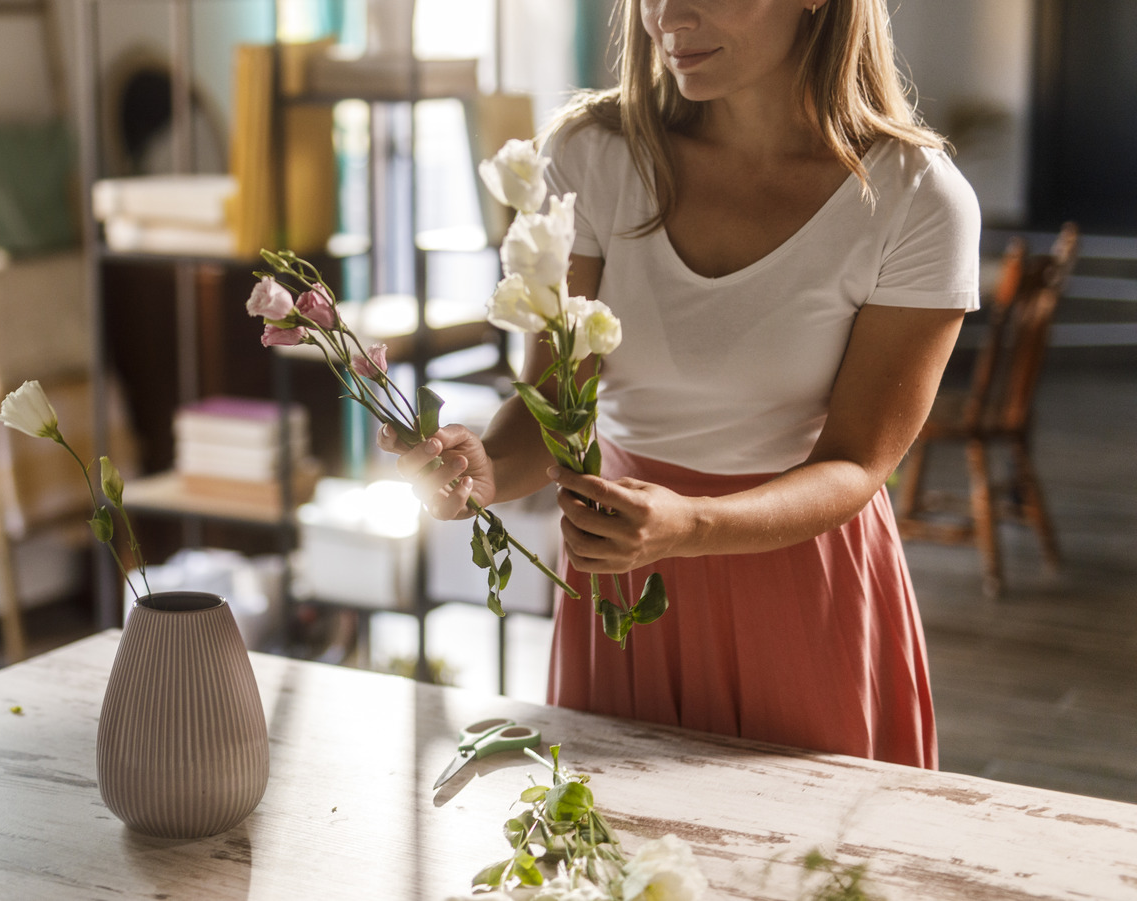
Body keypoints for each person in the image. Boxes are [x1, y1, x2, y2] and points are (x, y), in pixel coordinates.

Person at [380, 0, 980, 768]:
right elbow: (554, 404)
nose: (667, 15)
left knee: (800, 841)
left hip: (802, 583)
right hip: (622, 573)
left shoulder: (918, 200)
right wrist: (488, 467)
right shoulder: (591, 156)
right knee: (617, 837)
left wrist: (691, 525)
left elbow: (858, 462)